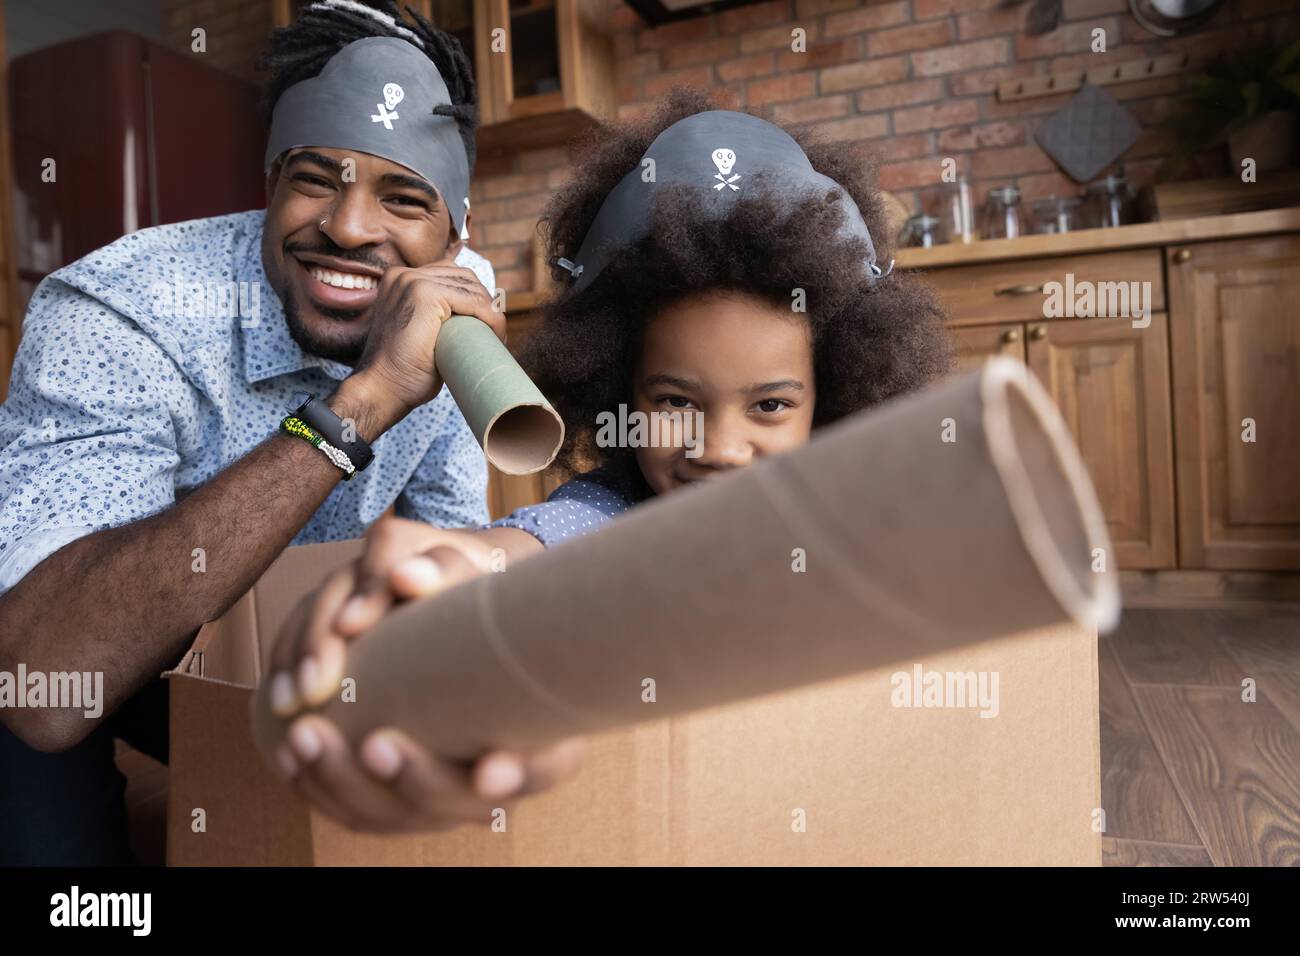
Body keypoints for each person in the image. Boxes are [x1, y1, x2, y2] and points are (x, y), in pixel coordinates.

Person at [266, 90, 953, 834]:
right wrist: (422, 593)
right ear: (616, 388)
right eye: (676, 402)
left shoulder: (861, 515)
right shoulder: (610, 515)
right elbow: (522, 554)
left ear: (834, 397)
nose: (718, 450)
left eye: (770, 406)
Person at [0, 0, 577, 866]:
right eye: (315, 177)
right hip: (87, 640)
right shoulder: (121, 307)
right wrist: (361, 404)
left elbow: (444, 543)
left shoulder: (457, 298)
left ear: (455, 236)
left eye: (404, 197)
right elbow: (46, 683)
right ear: (270, 184)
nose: (347, 227)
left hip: (267, 651)